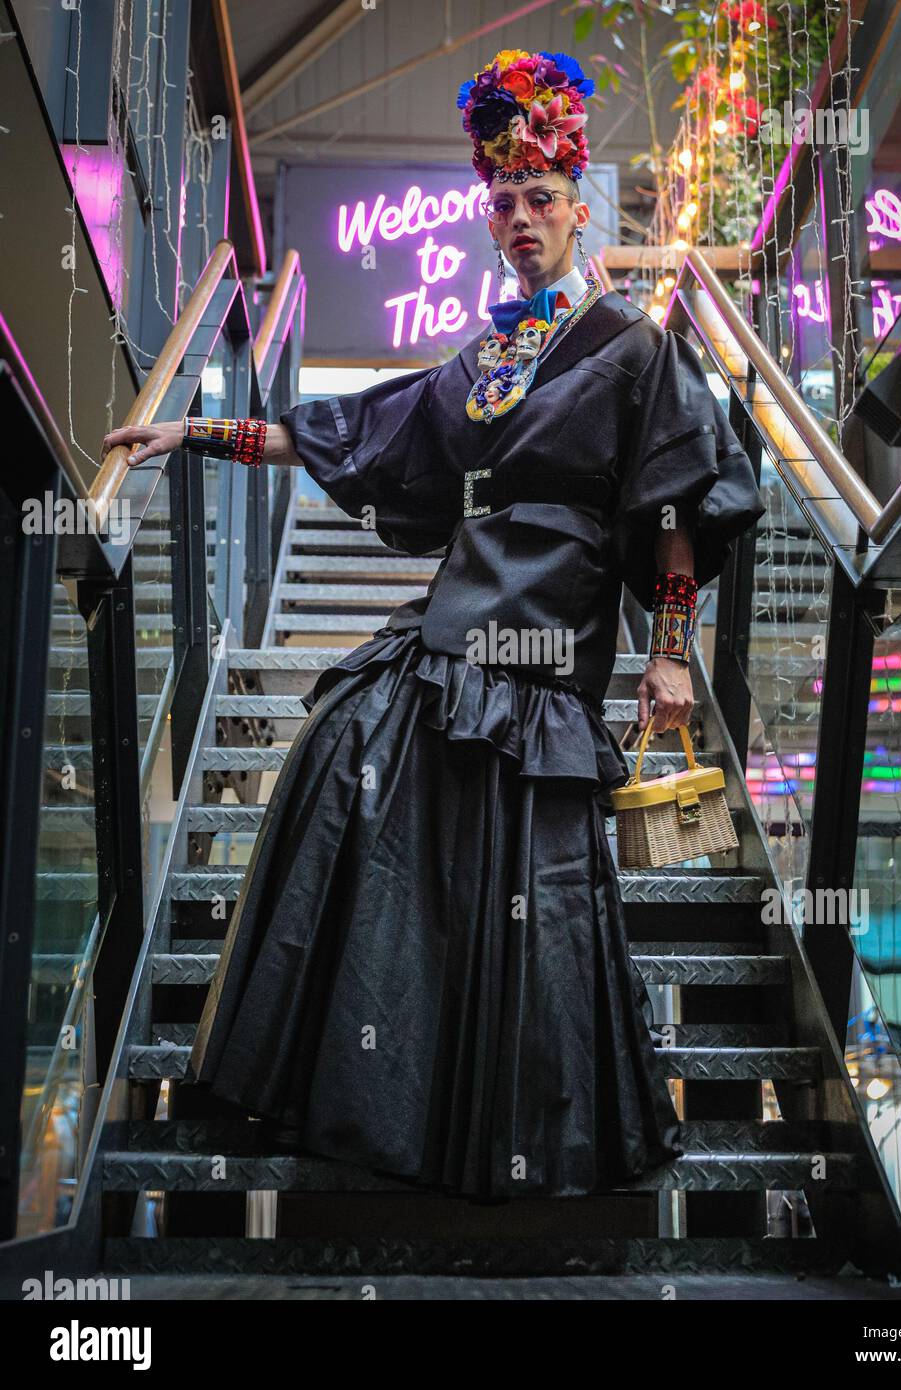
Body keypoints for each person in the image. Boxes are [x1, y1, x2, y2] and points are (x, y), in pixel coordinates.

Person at [101, 47, 766, 1202]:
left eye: (539, 198)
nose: (518, 217)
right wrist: (194, 437)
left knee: (537, 893)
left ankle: (534, 1139)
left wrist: (668, 652)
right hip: (454, 625)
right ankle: (369, 1098)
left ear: (575, 205)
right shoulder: (484, 362)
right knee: (340, 744)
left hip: (549, 645)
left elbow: (670, 510)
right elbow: (353, 434)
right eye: (501, 200)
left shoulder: (631, 346)